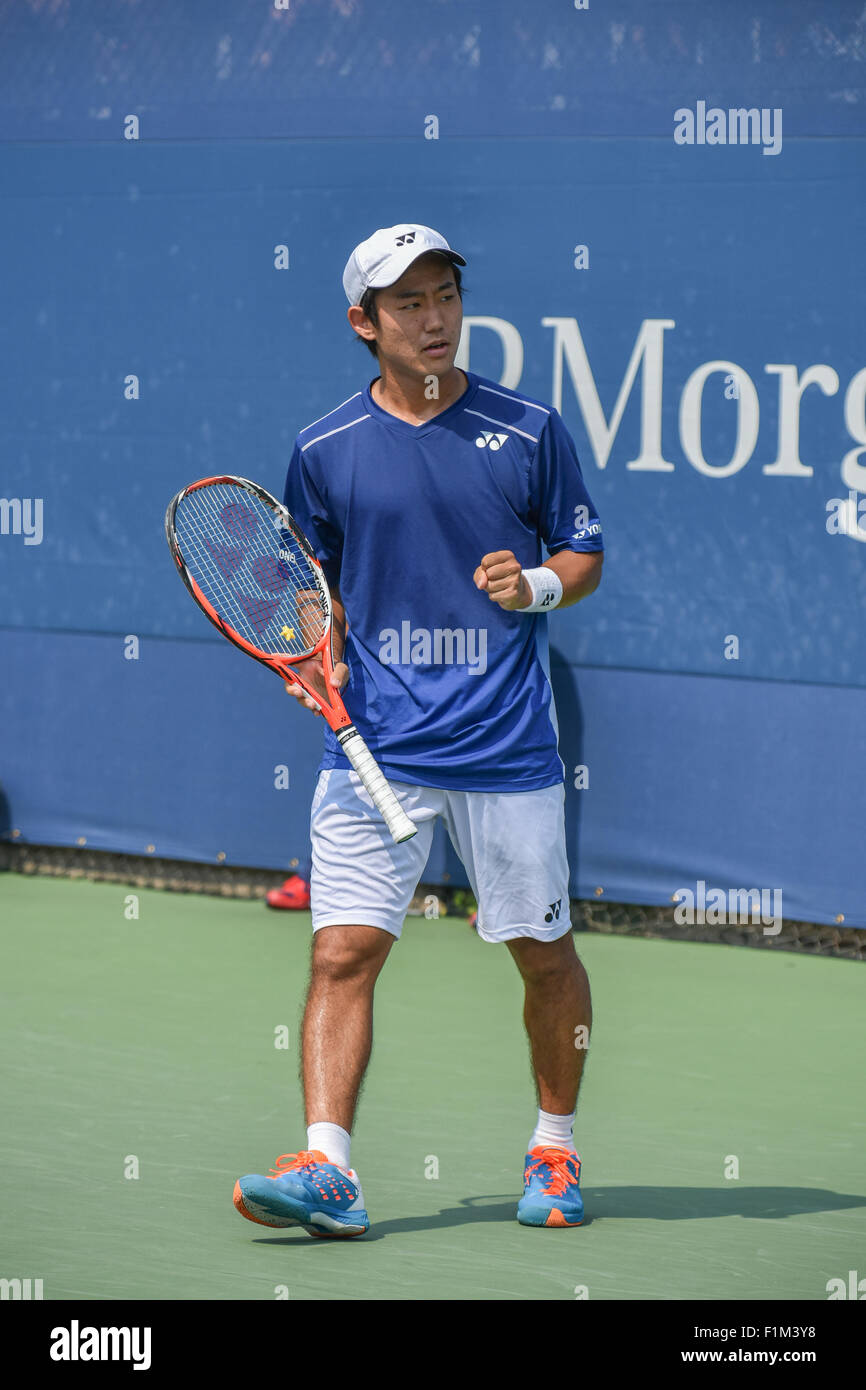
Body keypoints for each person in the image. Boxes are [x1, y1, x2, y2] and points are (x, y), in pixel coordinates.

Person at [233, 223, 603, 1238]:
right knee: (340, 953)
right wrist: (319, 654)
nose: (434, 318)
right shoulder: (322, 451)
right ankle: (327, 1165)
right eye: (409, 304)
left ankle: (555, 1150)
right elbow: (307, 589)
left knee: (540, 955)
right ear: (364, 324)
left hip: (505, 750)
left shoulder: (528, 431)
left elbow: (581, 554)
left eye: (444, 295)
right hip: (375, 749)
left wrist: (531, 584)